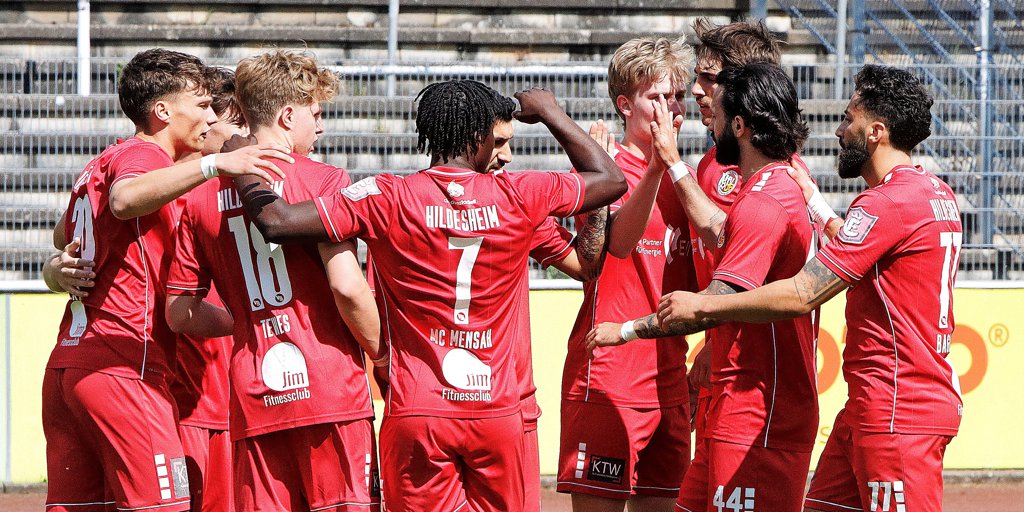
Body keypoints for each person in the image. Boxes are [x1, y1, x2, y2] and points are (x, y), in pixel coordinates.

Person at [232, 79, 625, 511]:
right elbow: (610, 179)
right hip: (496, 408)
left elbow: (276, 221)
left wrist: (242, 160)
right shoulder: (520, 194)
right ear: (477, 138)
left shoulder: (385, 195)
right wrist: (552, 113)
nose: (506, 155)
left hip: (417, 407)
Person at [656, 65, 963, 512]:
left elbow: (803, 293)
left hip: (898, 405)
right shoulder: (933, 193)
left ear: (876, 132)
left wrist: (705, 307)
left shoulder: (886, 203)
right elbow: (864, 244)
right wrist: (816, 202)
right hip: (873, 405)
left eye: (849, 118)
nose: (838, 130)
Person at [41, 48, 290, 512]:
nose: (211, 117)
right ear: (161, 111)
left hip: (71, 365)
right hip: (124, 364)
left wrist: (51, 271)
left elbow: (68, 231)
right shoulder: (143, 155)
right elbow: (124, 199)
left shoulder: (103, 160)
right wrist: (216, 166)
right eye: (201, 105)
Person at [589, 63, 818, 512]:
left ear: (739, 124)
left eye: (715, 104)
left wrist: (627, 330)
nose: (698, 105)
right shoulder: (774, 186)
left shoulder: (765, 200)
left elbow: (712, 304)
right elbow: (724, 230)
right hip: (730, 403)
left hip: (759, 412)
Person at [165, 49, 383, 512]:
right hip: (331, 391)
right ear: (288, 115)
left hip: (254, 392)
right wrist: (383, 356)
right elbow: (347, 287)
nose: (320, 127)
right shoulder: (326, 180)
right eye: (316, 114)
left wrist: (245, 321)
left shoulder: (199, 197)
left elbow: (179, 312)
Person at [555, 36, 699, 512]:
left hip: (669, 377)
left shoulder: (688, 178)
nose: (670, 107)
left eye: (675, 95)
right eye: (655, 97)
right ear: (625, 104)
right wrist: (657, 168)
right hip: (609, 374)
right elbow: (616, 245)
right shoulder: (605, 169)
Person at [168, 66, 245, 512]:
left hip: (240, 398)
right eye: (238, 124)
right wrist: (55, 269)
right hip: (189, 400)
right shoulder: (164, 191)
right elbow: (74, 235)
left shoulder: (252, 195)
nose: (246, 136)